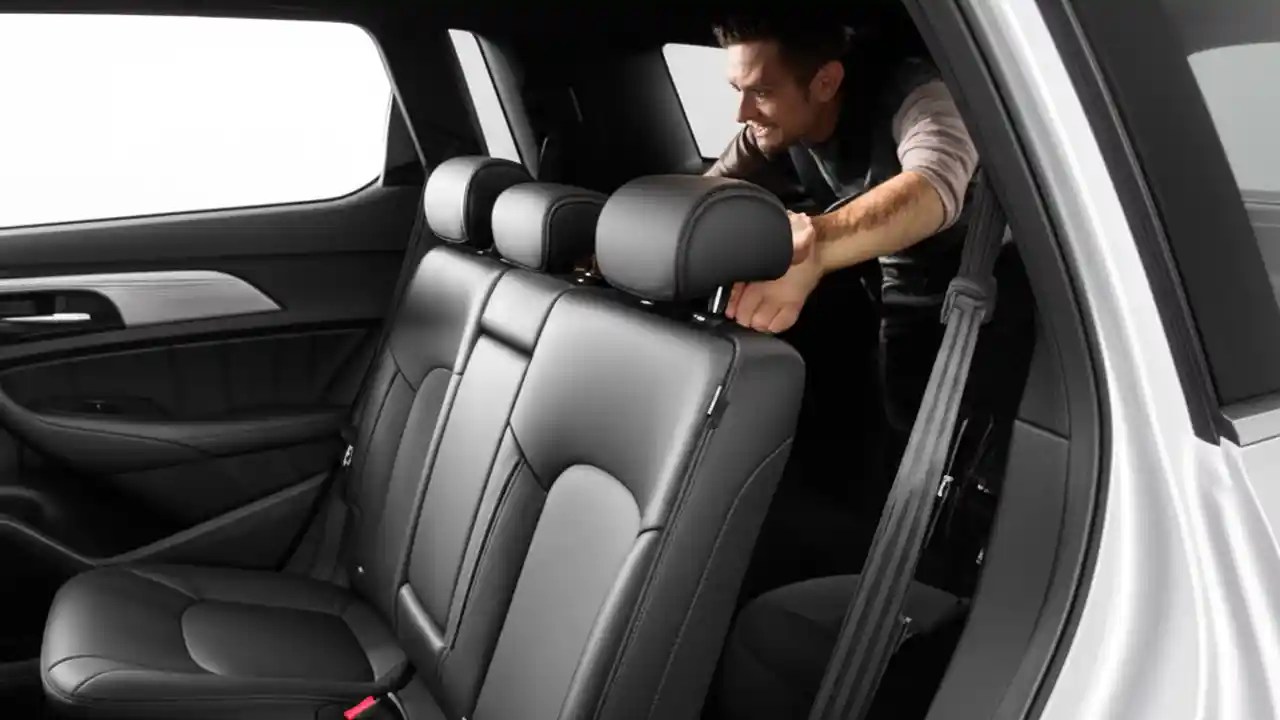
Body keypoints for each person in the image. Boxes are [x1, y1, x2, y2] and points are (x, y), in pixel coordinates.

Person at [705, 12, 1038, 720]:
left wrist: (816, 247)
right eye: (738, 91)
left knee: (953, 488)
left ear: (826, 81)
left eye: (759, 91)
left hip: (979, 306)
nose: (742, 112)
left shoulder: (918, 95)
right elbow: (710, 188)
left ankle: (949, 625)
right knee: (897, 456)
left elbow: (934, 185)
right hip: (897, 296)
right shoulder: (773, 126)